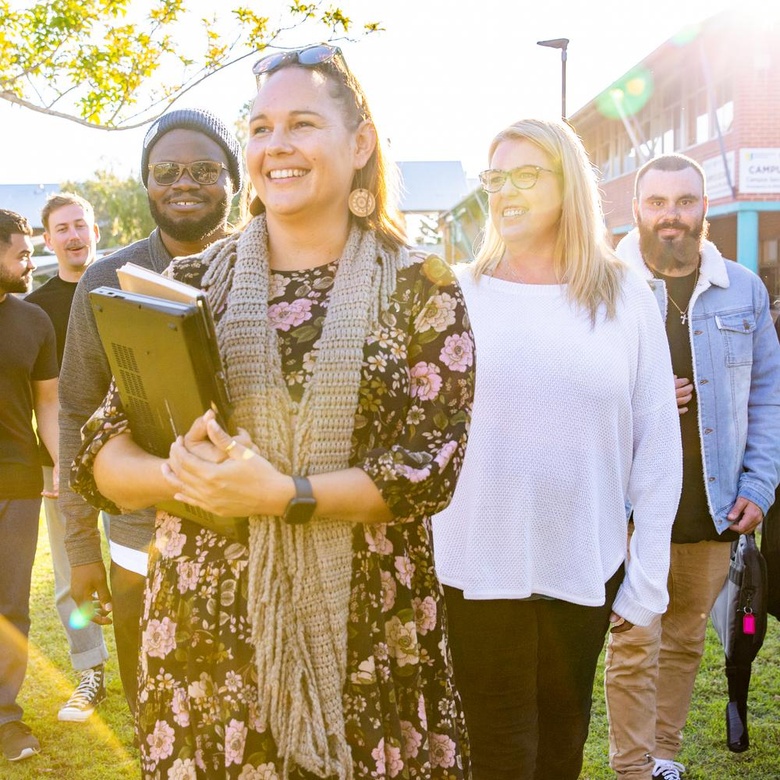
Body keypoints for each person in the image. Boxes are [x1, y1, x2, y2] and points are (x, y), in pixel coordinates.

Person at [71, 43, 473, 778]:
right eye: (259, 128)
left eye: (301, 124)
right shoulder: (187, 283)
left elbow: (428, 469)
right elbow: (100, 459)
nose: (276, 145)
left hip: (362, 633)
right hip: (207, 642)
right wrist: (181, 473)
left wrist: (286, 496)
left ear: (360, 142)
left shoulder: (421, 285)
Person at [431, 118, 682, 780]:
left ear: (568, 183)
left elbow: (657, 443)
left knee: (560, 750)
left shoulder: (626, 294)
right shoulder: (457, 291)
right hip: (474, 567)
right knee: (499, 754)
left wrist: (646, 585)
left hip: (582, 566)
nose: (505, 192)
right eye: (495, 179)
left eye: (525, 175)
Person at [59, 107, 244, 713]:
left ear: (233, 182)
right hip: (141, 540)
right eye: (166, 169)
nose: (183, 182)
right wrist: (82, 548)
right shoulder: (108, 278)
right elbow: (77, 410)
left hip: (250, 536)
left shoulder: (266, 267)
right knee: (157, 718)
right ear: (146, 182)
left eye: (203, 169)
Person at [605, 153, 780, 780]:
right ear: (637, 210)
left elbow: (768, 395)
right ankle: (630, 768)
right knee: (635, 637)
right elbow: (577, 391)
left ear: (705, 207)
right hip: (631, 500)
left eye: (684, 201)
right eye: (657, 203)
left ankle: (664, 758)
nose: (671, 216)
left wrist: (760, 484)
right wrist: (642, 396)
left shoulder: (745, 290)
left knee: (683, 637)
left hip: (714, 497)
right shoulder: (605, 285)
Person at [24, 193, 110, 722]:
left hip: (133, 452)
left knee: (143, 563)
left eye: (81, 225)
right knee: (70, 574)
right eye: (63, 228)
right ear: (48, 239)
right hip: (60, 457)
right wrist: (60, 464)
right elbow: (44, 398)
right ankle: (90, 671)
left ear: (95, 231)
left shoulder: (121, 284)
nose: (74, 235)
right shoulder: (35, 309)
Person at [0, 210, 59, 762]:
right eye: (20, 253)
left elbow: (49, 403)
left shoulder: (35, 321)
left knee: (11, 605)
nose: (30, 262)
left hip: (17, 482)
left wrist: (61, 466)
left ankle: (5, 720)